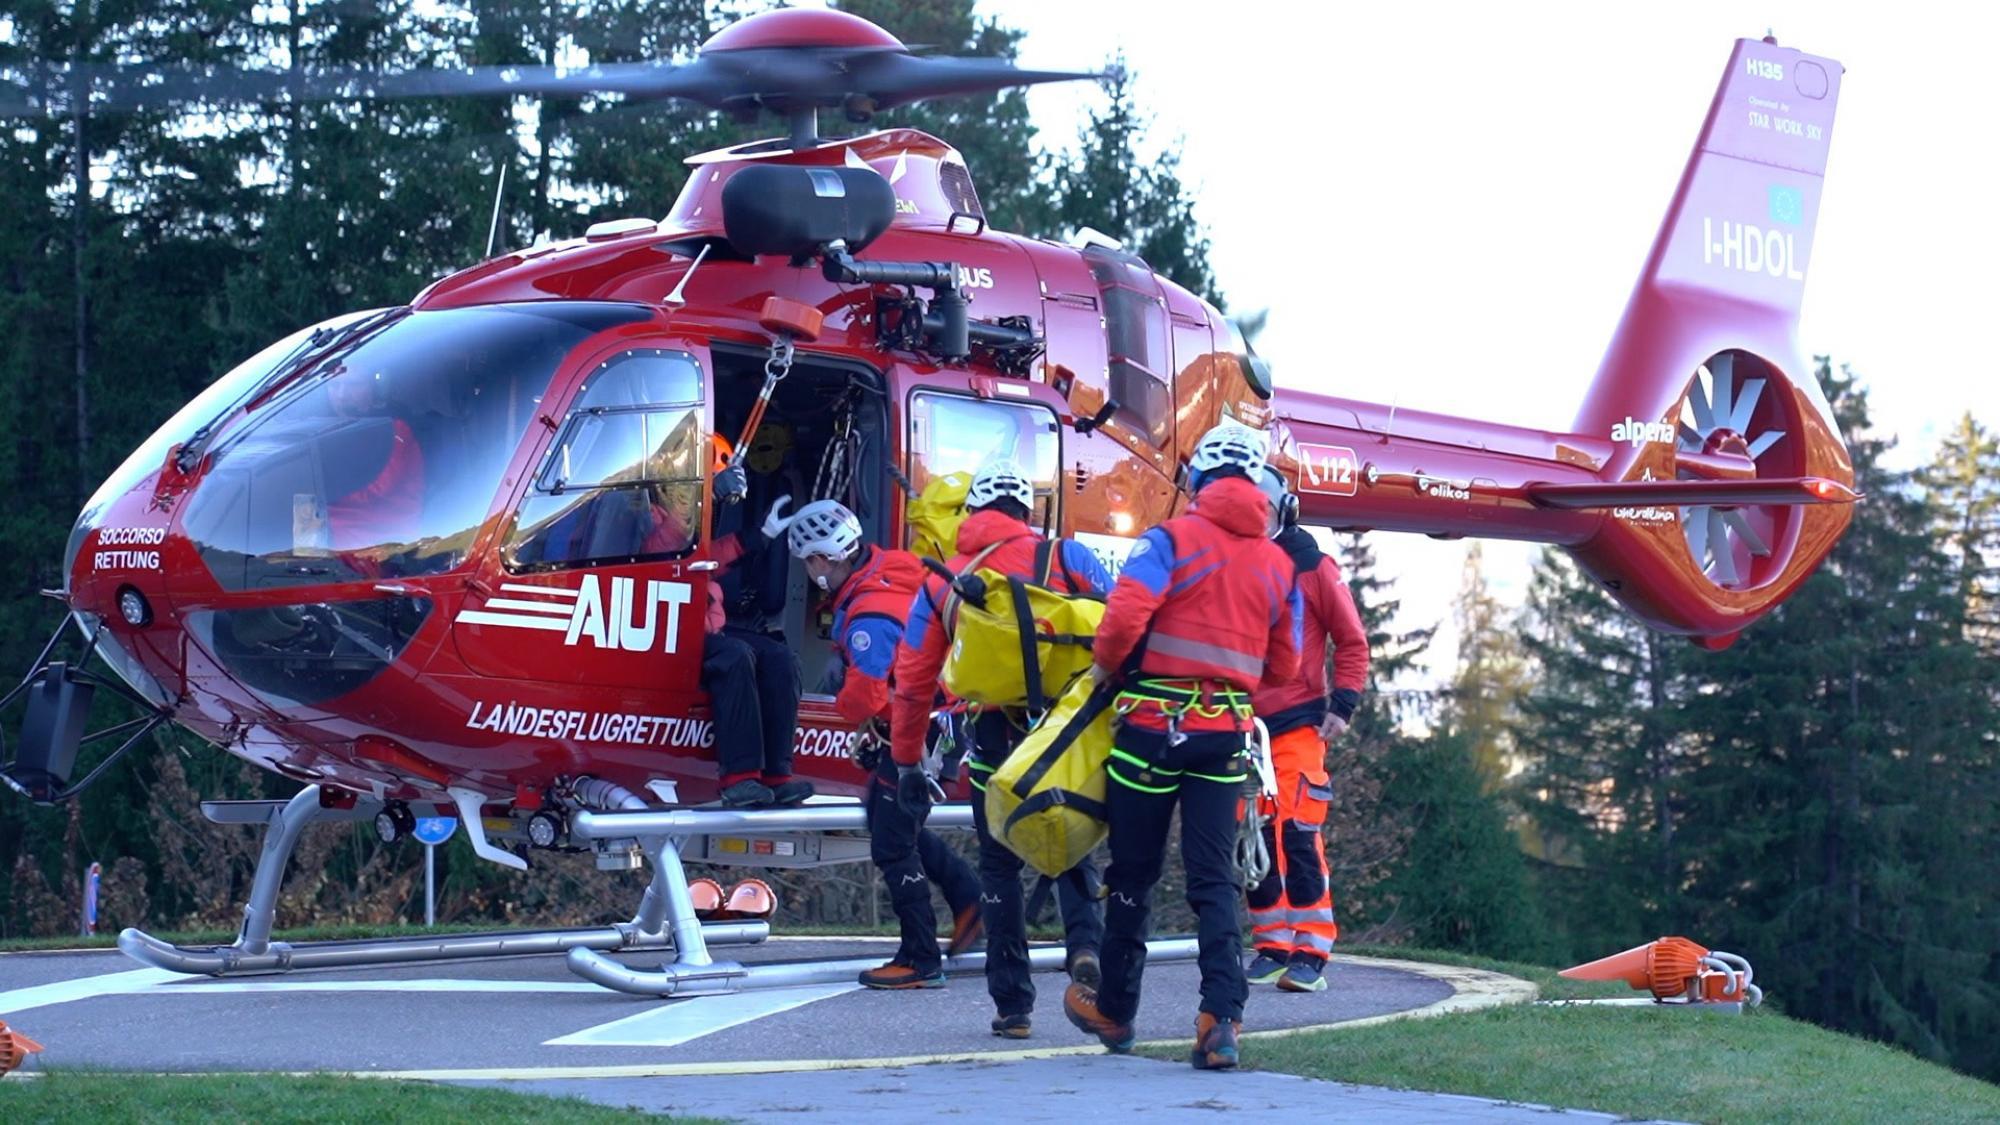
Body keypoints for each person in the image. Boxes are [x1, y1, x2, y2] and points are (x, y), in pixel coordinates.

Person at [1061, 422, 1301, 1071]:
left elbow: (1121, 621)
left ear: (1197, 477)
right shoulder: (1280, 565)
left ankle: (1116, 1007)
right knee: (1214, 876)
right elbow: (1285, 666)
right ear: (1254, 482)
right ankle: (1219, 1019)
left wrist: (1111, 666)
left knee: (1132, 874)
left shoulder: (1167, 540)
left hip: (1149, 733)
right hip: (1223, 737)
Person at [890, 459, 1111, 1039]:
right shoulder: (1068, 557)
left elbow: (913, 679)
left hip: (992, 735)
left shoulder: (944, 579)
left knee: (998, 865)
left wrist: (908, 761)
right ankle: (1085, 948)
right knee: (1068, 840)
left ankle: (1013, 1005)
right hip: (1064, 730)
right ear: (1028, 511)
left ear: (974, 513)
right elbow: (1120, 628)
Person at [778, 498, 984, 989]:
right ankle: (970, 900)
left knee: (892, 842)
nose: (809, 574)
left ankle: (919, 958)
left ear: (823, 560)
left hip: (923, 725)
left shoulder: (868, 613)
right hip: (944, 718)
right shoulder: (893, 566)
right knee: (887, 816)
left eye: (809, 563)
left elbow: (867, 689)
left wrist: (851, 714)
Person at [1244, 465, 1370, 994]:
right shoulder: (1235, 562)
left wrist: (1342, 704)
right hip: (1243, 727)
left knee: (1297, 833)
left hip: (1298, 723)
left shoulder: (1315, 567)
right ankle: (1272, 943)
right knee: (1251, 839)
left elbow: (1353, 641)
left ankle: (1312, 948)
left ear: (1284, 509)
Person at [698, 439, 811, 808]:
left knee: (779, 656)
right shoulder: (648, 512)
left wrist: (757, 539)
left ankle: (777, 775)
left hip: (711, 625)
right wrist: (709, 499)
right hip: (678, 631)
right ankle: (740, 778)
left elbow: (706, 554)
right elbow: (671, 554)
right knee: (735, 657)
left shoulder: (687, 518)